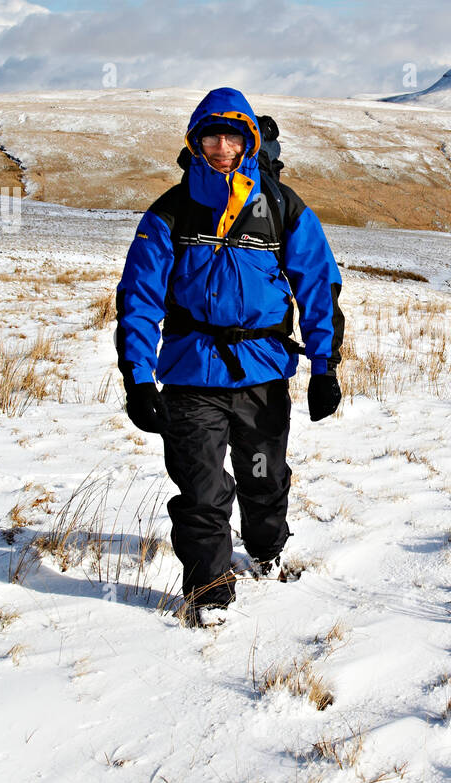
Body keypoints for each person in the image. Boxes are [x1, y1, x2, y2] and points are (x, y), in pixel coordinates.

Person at [115, 87, 344, 622]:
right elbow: (139, 297)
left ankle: (265, 549)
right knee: (201, 487)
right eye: (211, 136)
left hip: (262, 372)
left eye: (232, 136)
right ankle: (210, 590)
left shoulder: (280, 206)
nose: (221, 146)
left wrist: (324, 367)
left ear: (249, 142)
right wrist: (137, 378)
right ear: (195, 142)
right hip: (191, 373)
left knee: (263, 475)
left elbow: (318, 284)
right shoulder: (170, 211)